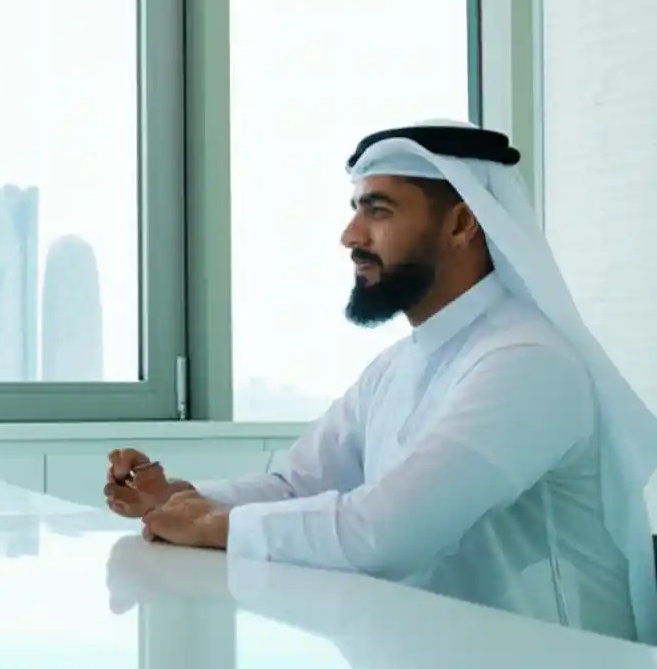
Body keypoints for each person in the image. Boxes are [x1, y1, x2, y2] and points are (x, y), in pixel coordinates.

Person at [104, 121, 657, 643]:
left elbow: (384, 535)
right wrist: (185, 497)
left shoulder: (529, 364)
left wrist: (213, 525)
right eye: (355, 209)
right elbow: (302, 485)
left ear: (462, 224)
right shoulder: (399, 364)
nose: (350, 235)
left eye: (379, 210)